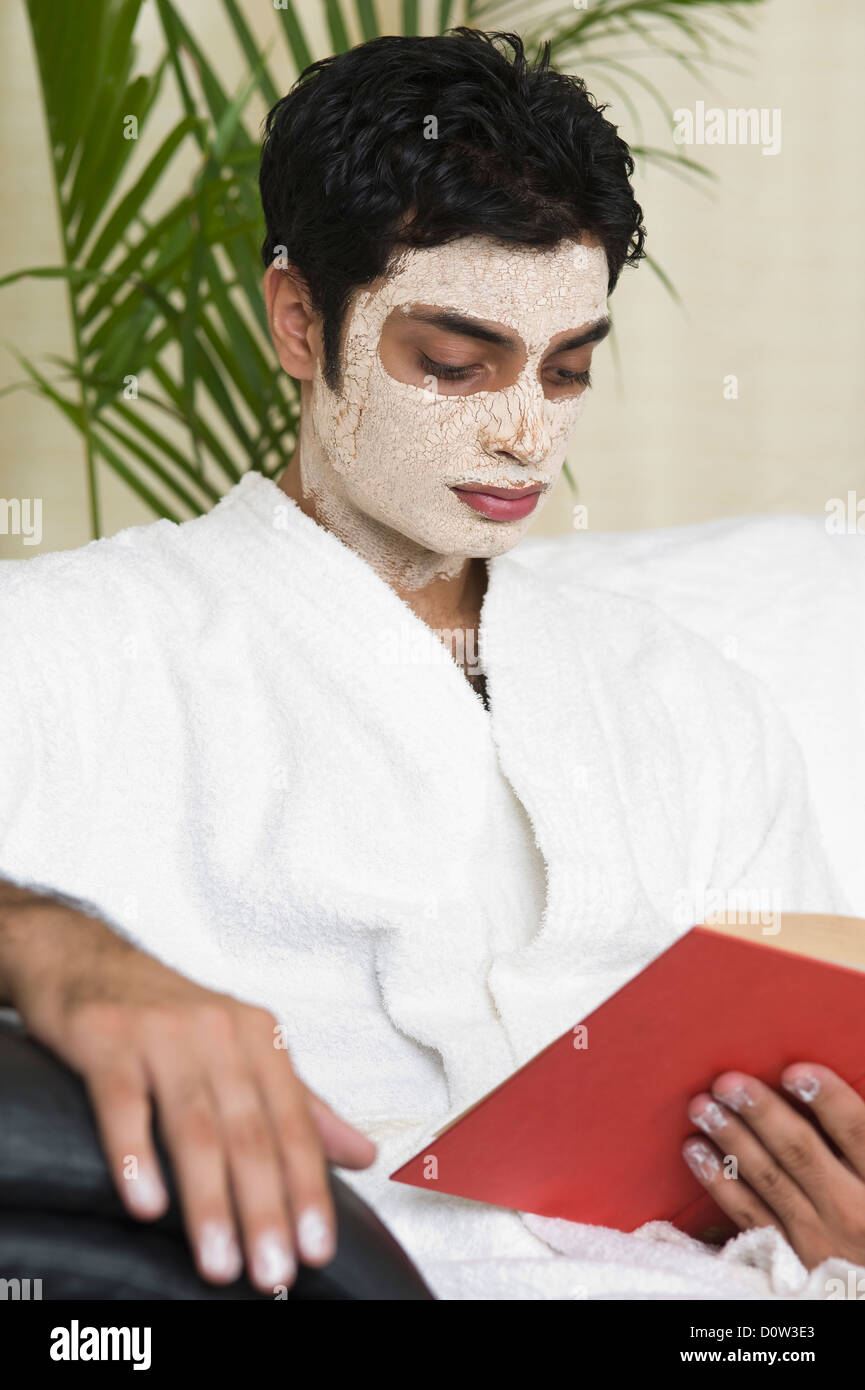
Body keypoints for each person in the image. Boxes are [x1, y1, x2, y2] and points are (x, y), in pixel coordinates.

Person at [1, 28, 863, 1301]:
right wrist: (53, 948)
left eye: (569, 370)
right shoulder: (71, 648)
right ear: (299, 320)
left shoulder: (692, 704)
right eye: (453, 364)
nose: (525, 434)